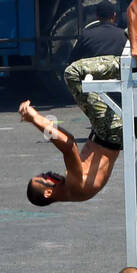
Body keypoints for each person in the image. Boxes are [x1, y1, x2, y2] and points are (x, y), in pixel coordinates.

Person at [19, 49, 124, 203]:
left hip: (104, 131)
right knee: (72, 74)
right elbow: (69, 145)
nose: (47, 173)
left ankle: (133, 59)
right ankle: (127, 66)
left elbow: (68, 139)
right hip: (109, 131)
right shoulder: (74, 188)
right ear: (48, 192)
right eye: (44, 177)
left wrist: (39, 119)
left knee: (76, 77)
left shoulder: (73, 187)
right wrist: (35, 119)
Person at [68, 0, 126, 64]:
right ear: (114, 15)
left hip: (93, 73)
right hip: (118, 73)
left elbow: (73, 60)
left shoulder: (86, 35)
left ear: (97, 16)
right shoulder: (123, 35)